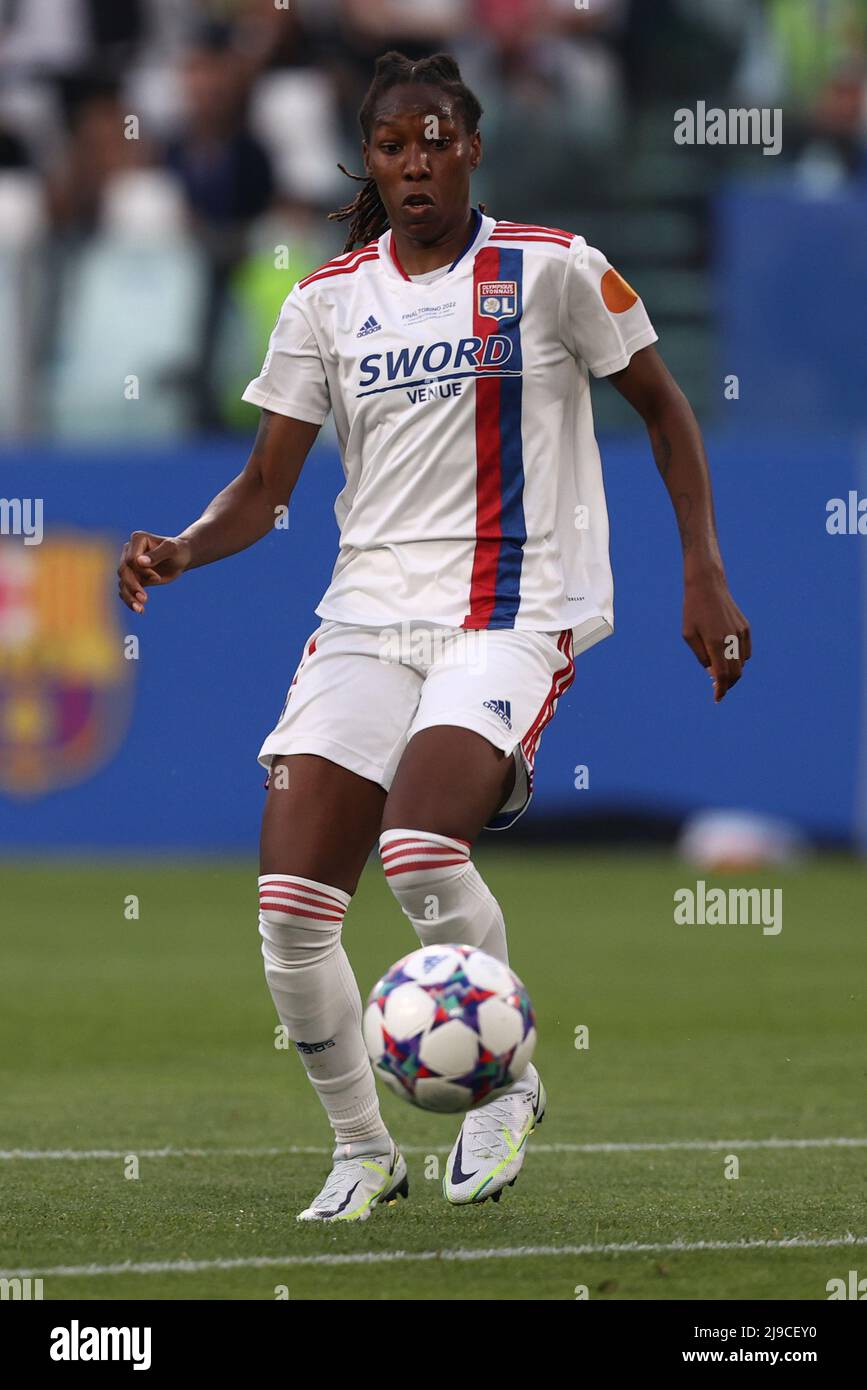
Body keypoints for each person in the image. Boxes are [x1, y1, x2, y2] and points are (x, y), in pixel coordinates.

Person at [117, 50, 751, 1223]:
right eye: (395, 145)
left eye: (438, 140)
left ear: (472, 150)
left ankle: (504, 1084)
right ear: (372, 162)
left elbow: (664, 408)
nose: (417, 162)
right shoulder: (327, 301)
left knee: (415, 852)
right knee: (291, 917)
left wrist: (701, 571)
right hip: (365, 617)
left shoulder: (555, 271)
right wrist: (181, 548)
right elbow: (263, 488)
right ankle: (363, 1148)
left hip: (514, 610)